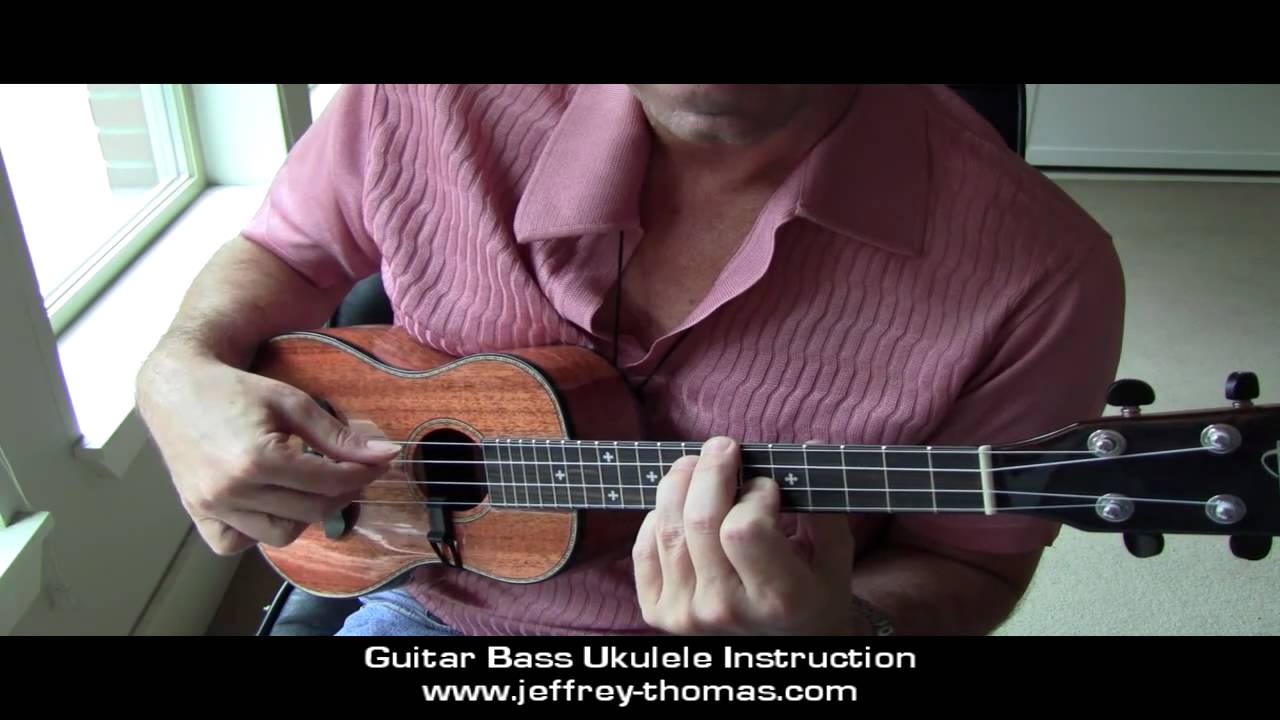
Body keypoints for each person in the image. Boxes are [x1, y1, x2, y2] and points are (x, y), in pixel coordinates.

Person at [135, 84, 1124, 636]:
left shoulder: (1044, 273)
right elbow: (284, 254)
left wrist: (841, 635)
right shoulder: (419, 97)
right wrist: (179, 369)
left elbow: (968, 566)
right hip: (430, 609)